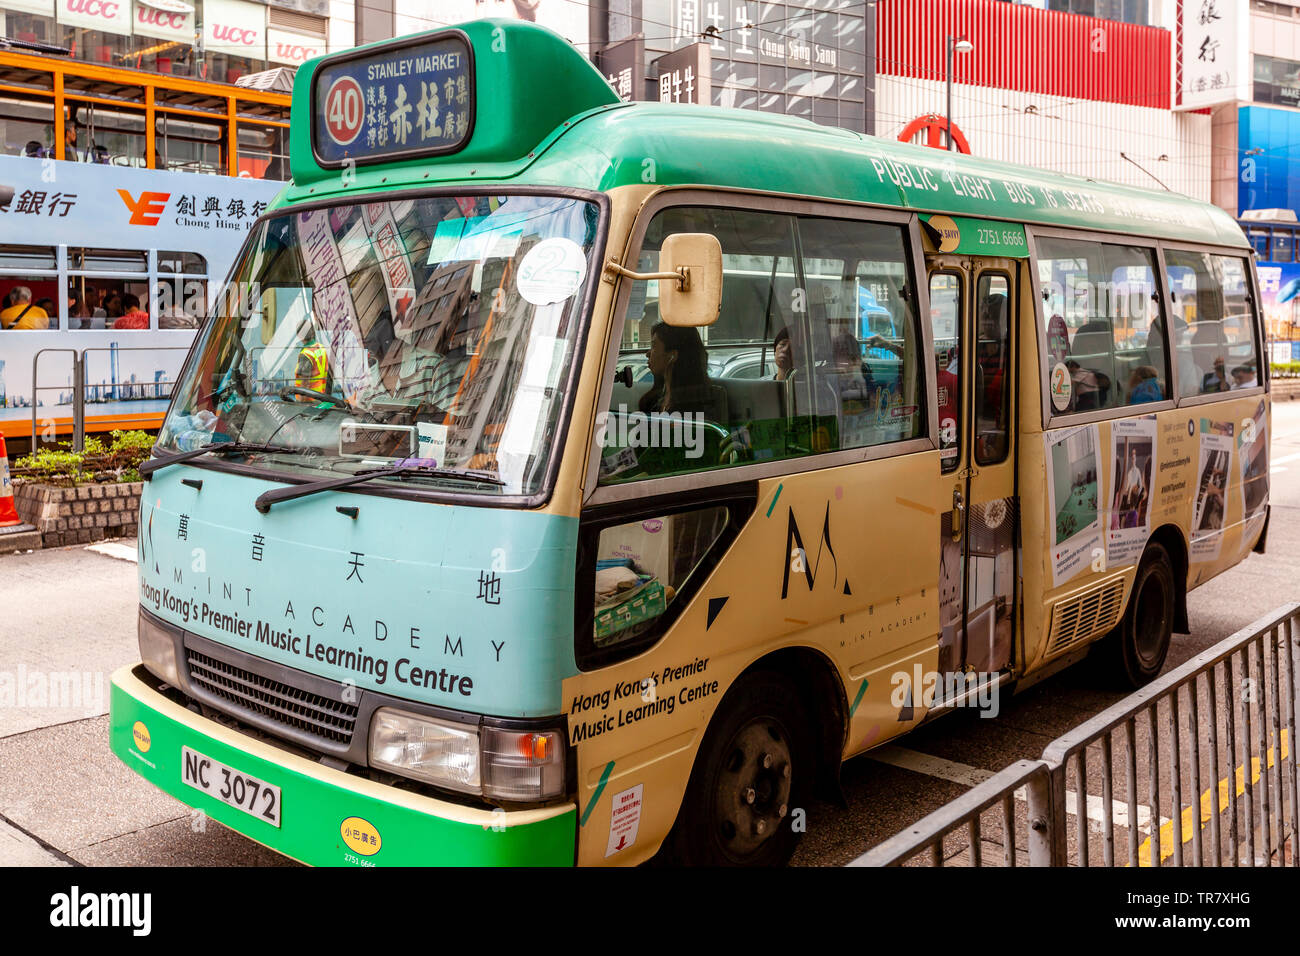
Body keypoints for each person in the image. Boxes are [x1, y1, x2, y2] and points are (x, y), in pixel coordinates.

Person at [639, 322, 715, 417]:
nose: (647, 354)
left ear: (672, 356)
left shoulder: (696, 406)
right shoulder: (654, 401)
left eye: (654, 346)